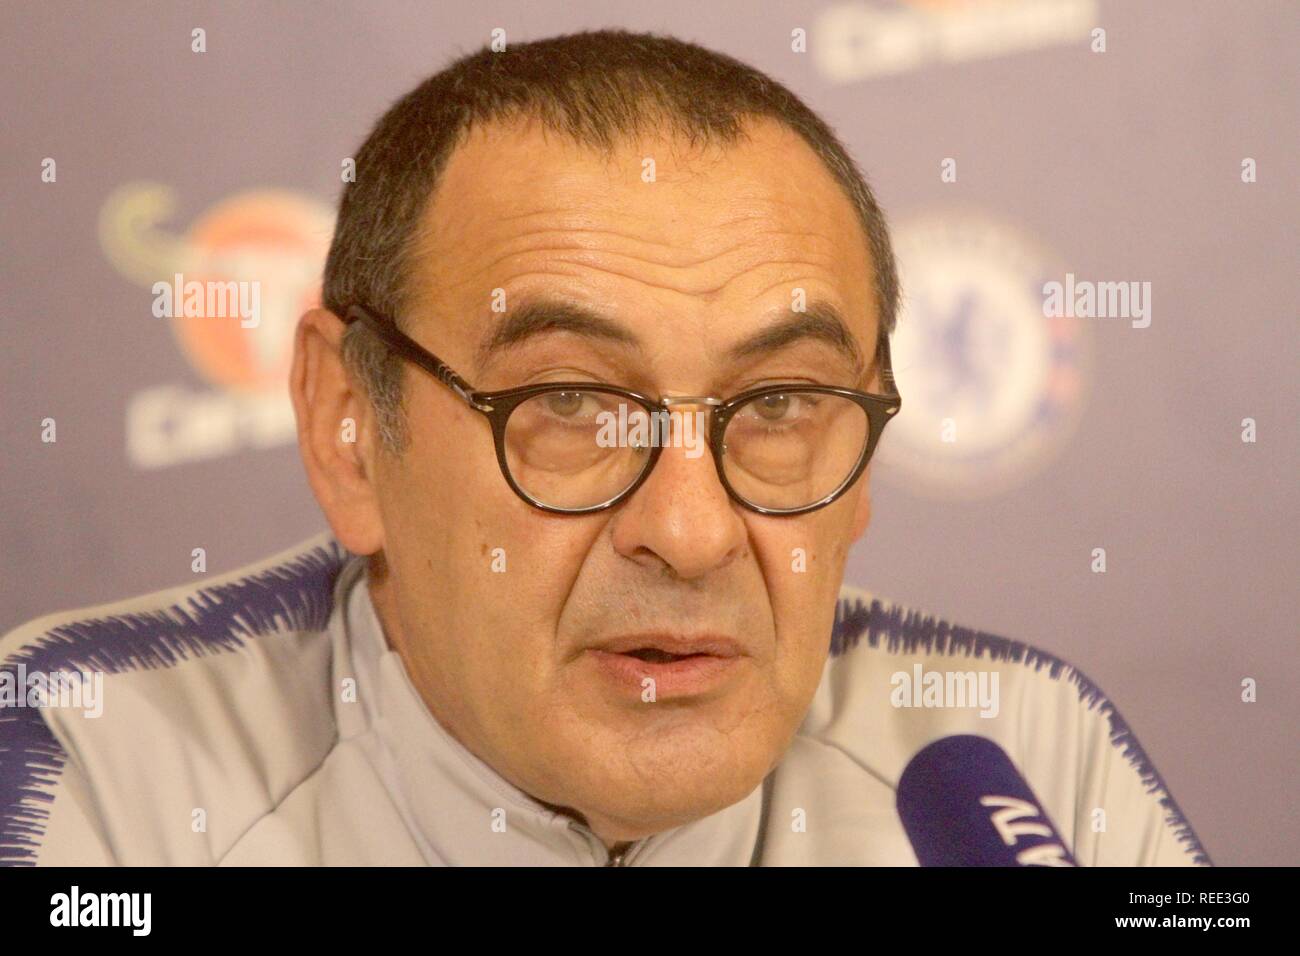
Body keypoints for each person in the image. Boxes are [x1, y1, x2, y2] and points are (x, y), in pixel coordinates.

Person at [0, 30, 1209, 866]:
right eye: (573, 401)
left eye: (782, 403)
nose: (688, 532)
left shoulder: (1023, 755)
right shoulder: (85, 767)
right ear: (348, 428)